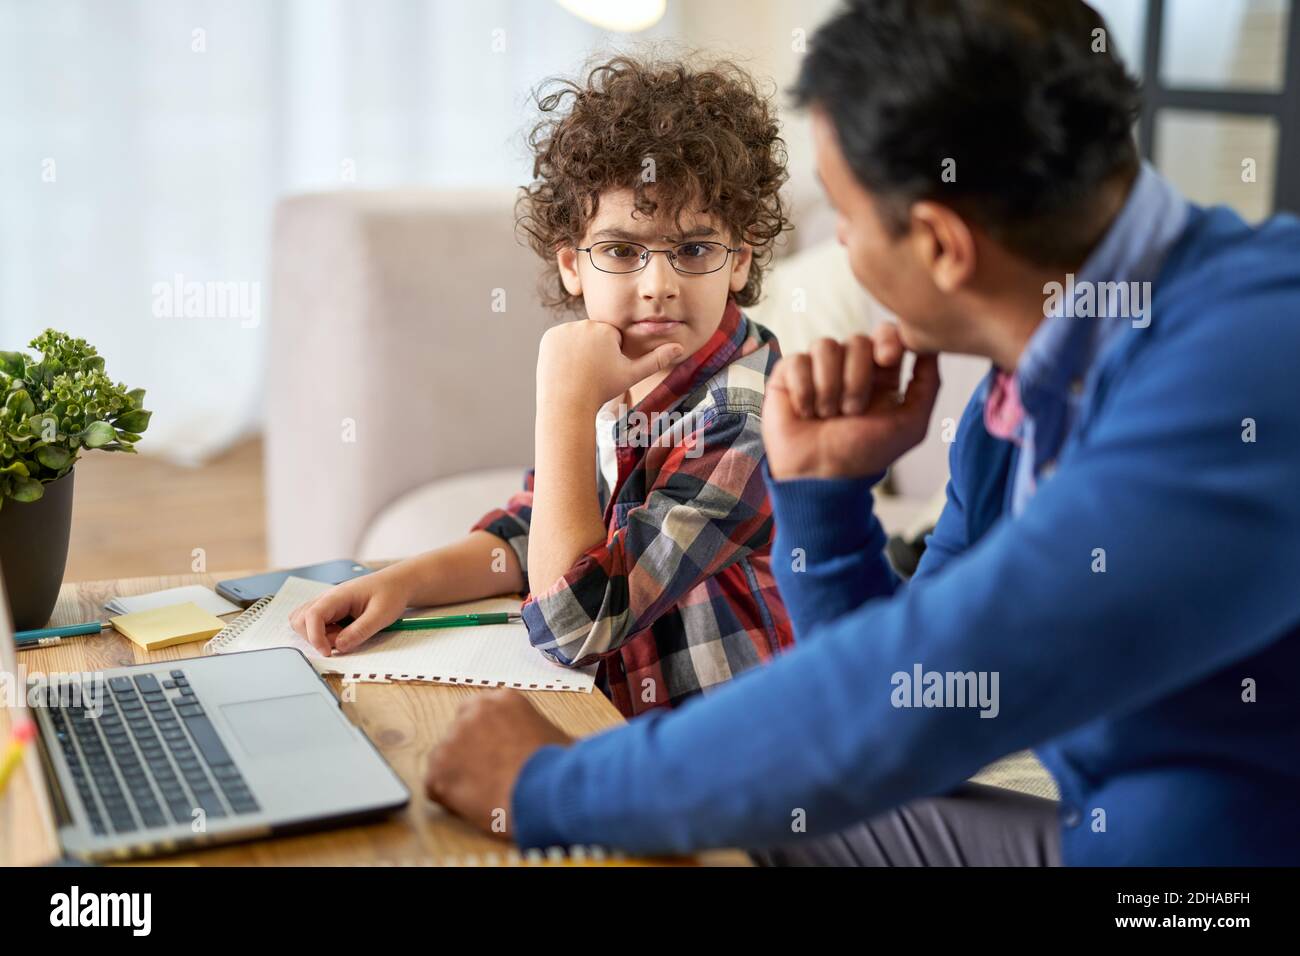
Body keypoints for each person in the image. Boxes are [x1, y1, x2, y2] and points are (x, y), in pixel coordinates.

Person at [421, 0, 1300, 865]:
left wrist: (550, 789)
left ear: (940, 246)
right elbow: (930, 698)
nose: (836, 243)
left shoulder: (1242, 371)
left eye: (843, 215)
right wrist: (827, 500)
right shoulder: (1020, 395)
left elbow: (896, 703)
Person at [291, 55, 796, 718]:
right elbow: (540, 528)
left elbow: (574, 625)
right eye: (621, 251)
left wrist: (563, 401)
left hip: (726, 752)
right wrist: (403, 583)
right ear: (571, 264)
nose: (657, 285)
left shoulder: (750, 416)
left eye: (695, 251)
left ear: (739, 261)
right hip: (616, 714)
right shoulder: (617, 366)